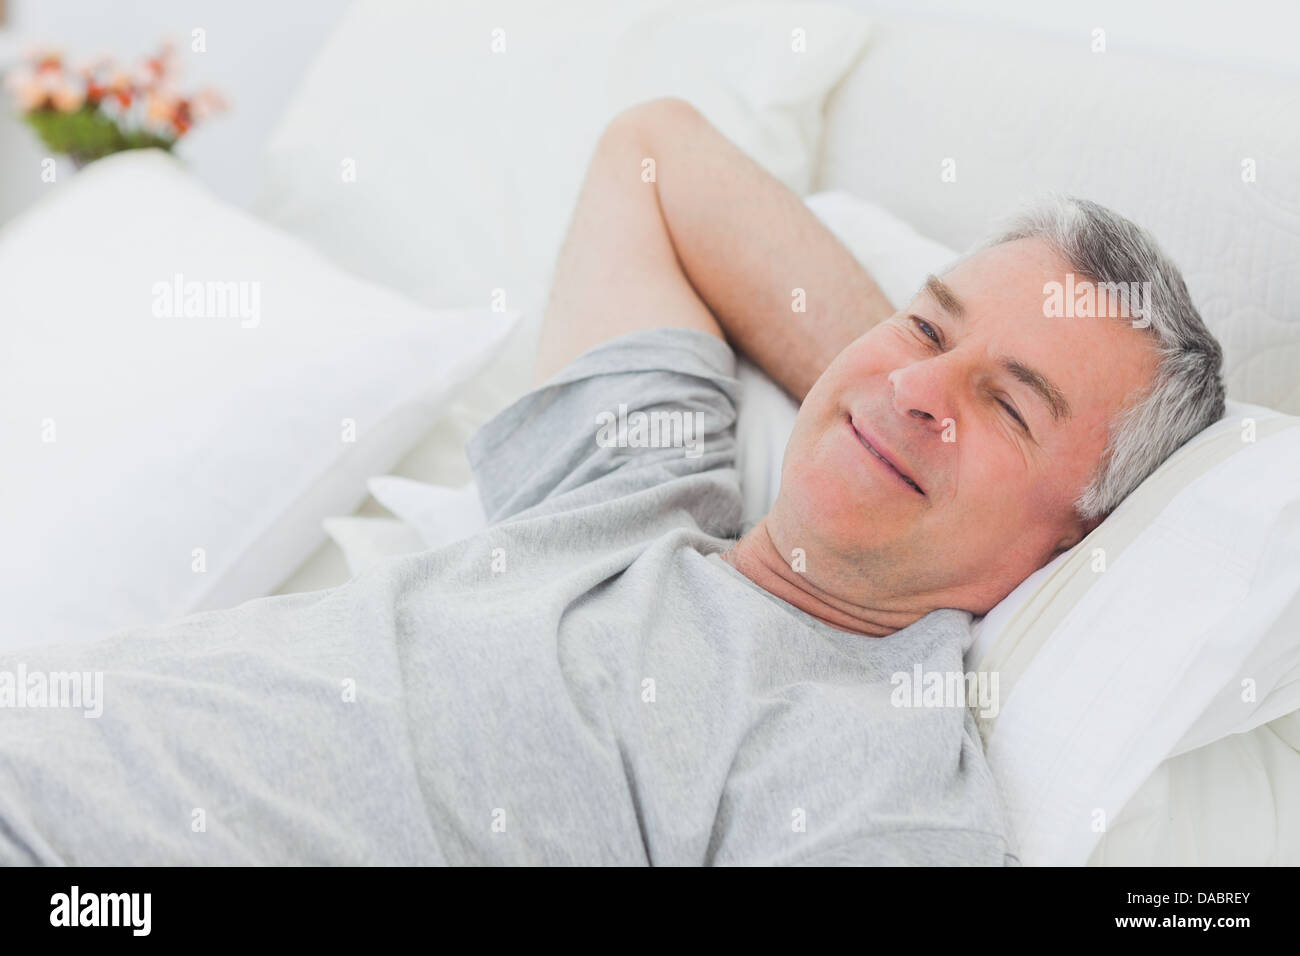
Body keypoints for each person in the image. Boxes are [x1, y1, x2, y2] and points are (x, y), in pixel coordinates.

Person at [0, 99, 1223, 867]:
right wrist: (893, 401)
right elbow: (652, 154)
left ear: (1079, 545)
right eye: (923, 323)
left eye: (1007, 405)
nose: (919, 386)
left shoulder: (868, 778)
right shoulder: (630, 490)